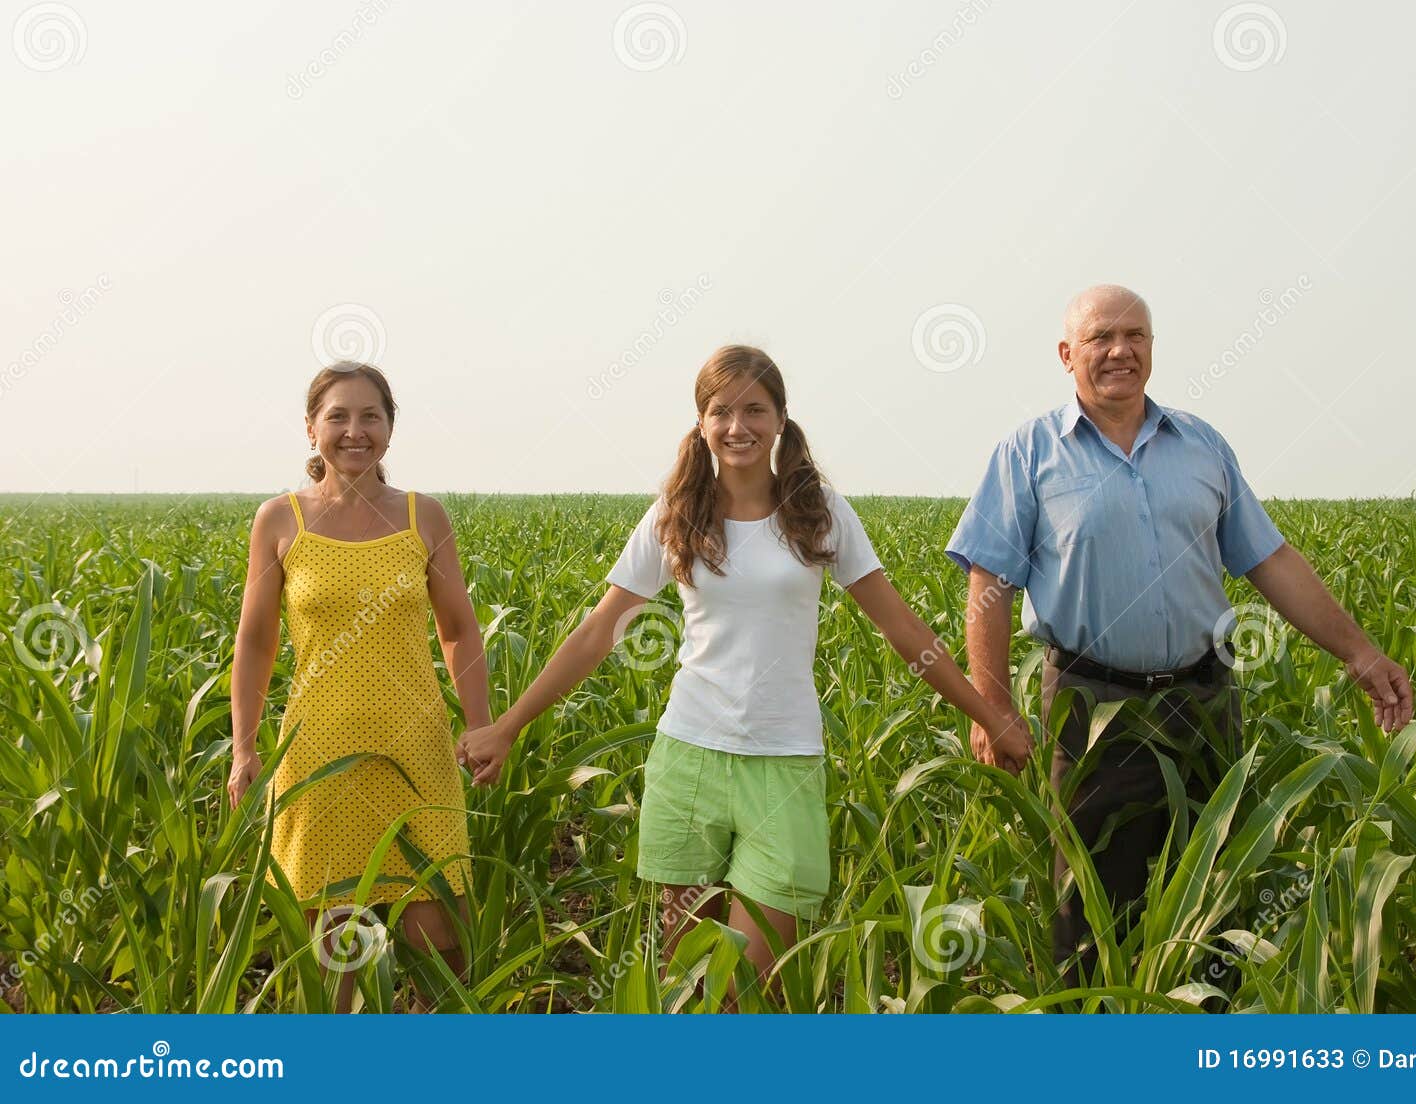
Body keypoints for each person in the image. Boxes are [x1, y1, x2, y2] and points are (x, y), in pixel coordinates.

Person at [457, 344, 1033, 1005]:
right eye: (721, 410)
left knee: (753, 990)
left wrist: (990, 716)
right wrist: (507, 726)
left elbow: (901, 628)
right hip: (690, 757)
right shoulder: (675, 514)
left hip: (784, 764)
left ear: (781, 418)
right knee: (686, 985)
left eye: (754, 409)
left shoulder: (818, 512)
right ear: (701, 422)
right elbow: (596, 633)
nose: (738, 426)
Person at [947, 284, 1414, 985]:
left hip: (1203, 699)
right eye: (1101, 338)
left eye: (1135, 336)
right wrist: (990, 705)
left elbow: (1270, 560)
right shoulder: (1028, 454)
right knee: (1094, 909)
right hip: (1091, 706)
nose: (1119, 351)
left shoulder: (1200, 445)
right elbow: (988, 584)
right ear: (1066, 354)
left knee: (1214, 901)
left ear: (1153, 349)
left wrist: (1360, 651)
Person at [227, 362, 489, 1012]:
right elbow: (256, 643)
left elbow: (458, 630)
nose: (354, 431)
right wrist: (243, 747)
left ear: (390, 428)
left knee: (440, 953)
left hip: (418, 758)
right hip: (319, 764)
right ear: (311, 428)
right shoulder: (279, 521)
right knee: (335, 966)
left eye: (370, 416)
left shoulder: (423, 517)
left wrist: (480, 723)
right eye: (338, 416)